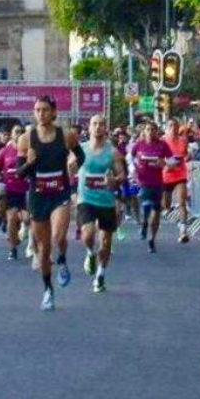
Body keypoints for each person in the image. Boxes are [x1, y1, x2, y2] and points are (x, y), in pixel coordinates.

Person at [17, 95, 83, 310]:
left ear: (54, 112)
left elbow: (80, 156)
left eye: (45, 109)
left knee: (58, 236)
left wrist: (73, 168)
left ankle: (62, 258)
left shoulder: (66, 135)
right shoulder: (26, 139)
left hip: (60, 193)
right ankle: (48, 290)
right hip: (38, 195)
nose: (41, 114)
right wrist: (29, 163)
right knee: (44, 248)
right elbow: (19, 174)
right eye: (37, 110)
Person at [77, 115, 126, 293]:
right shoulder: (81, 149)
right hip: (86, 199)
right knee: (88, 234)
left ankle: (100, 275)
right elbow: (70, 167)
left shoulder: (113, 152)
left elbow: (122, 175)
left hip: (106, 201)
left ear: (106, 128)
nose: (98, 127)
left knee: (105, 242)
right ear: (89, 128)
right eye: (94, 124)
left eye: (101, 124)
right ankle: (90, 252)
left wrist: (115, 181)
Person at [130, 120, 175, 253]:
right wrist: (134, 168)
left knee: (156, 211)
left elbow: (172, 161)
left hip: (157, 182)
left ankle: (152, 239)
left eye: (153, 130)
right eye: (148, 129)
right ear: (144, 131)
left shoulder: (162, 145)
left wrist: (164, 163)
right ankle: (144, 223)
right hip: (143, 180)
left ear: (156, 132)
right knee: (146, 204)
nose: (150, 132)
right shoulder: (139, 144)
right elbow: (130, 157)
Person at [0, 125, 30, 260]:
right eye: (16, 131)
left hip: (26, 190)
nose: (19, 134)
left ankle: (18, 236)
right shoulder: (4, 151)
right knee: (12, 218)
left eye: (21, 132)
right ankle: (13, 249)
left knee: (26, 218)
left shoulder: (30, 150)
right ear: (12, 134)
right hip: (10, 190)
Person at [161, 119, 192, 243]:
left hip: (180, 175)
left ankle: (183, 231)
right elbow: (158, 156)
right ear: (167, 128)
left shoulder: (183, 140)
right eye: (171, 125)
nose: (173, 128)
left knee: (182, 202)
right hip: (167, 175)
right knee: (166, 205)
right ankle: (169, 210)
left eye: (175, 125)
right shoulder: (163, 141)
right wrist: (167, 164)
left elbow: (186, 154)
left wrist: (186, 157)